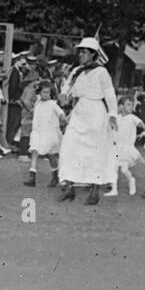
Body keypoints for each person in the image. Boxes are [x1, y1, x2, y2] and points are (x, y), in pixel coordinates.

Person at [56, 38, 119, 205]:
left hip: (96, 113)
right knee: (69, 147)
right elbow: (67, 89)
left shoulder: (101, 72)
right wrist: (64, 95)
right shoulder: (77, 71)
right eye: (80, 51)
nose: (81, 54)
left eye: (85, 52)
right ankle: (69, 187)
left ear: (93, 54)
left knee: (95, 151)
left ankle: (94, 190)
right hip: (79, 113)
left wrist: (113, 114)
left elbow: (110, 93)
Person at [25, 80, 65, 187]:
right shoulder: (37, 103)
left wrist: (62, 119)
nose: (46, 95)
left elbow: (61, 113)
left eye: (48, 92)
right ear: (39, 93)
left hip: (49, 133)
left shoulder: (53, 104)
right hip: (37, 132)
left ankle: (55, 175)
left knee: (51, 155)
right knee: (34, 150)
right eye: (44, 92)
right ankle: (32, 176)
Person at [109, 95, 145, 197]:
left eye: (132, 104)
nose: (131, 106)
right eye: (128, 104)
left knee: (124, 170)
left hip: (126, 149)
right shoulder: (117, 117)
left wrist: (143, 126)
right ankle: (114, 189)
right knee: (114, 168)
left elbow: (140, 123)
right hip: (116, 148)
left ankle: (131, 180)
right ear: (121, 106)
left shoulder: (132, 117)